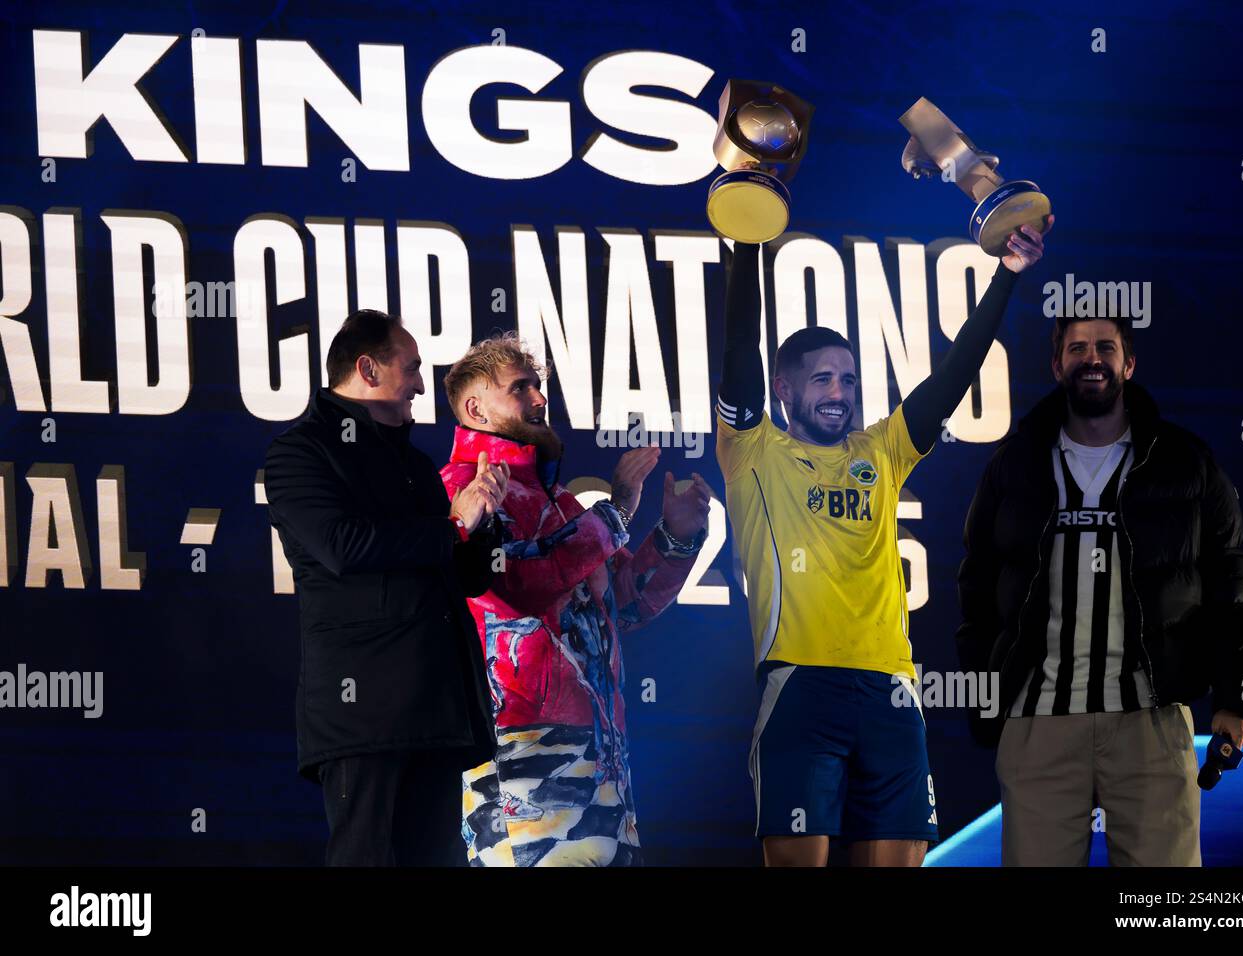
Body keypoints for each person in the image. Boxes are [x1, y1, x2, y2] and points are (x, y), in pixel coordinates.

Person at [717, 219, 1052, 867]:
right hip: (799, 686)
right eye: (822, 380)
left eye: (848, 379)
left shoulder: (883, 450)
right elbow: (738, 346)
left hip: (893, 692)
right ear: (783, 389)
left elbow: (954, 375)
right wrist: (749, 229)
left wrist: (1007, 276)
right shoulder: (753, 451)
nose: (840, 393)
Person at [954, 311, 1243, 866]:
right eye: (1077, 349)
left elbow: (1232, 584)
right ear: (1057, 365)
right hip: (1039, 723)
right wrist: (991, 696)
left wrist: (1239, 696)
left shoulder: (1185, 462)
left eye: (1105, 347)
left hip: (1150, 723)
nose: (1092, 359)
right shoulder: (1015, 464)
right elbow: (978, 586)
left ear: (1129, 363)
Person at [440, 332, 713, 866]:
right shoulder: (461, 488)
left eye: (539, 386)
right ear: (476, 407)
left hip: (604, 749)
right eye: (521, 388)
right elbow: (522, 583)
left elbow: (624, 608)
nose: (540, 399)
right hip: (521, 747)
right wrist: (617, 511)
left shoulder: (562, 503)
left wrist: (675, 538)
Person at [263, 308, 508, 866]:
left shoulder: (416, 466)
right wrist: (453, 524)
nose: (423, 384)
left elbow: (467, 576)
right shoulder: (300, 453)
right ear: (368, 369)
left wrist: (486, 518)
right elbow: (342, 547)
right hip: (365, 716)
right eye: (413, 367)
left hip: (439, 710)